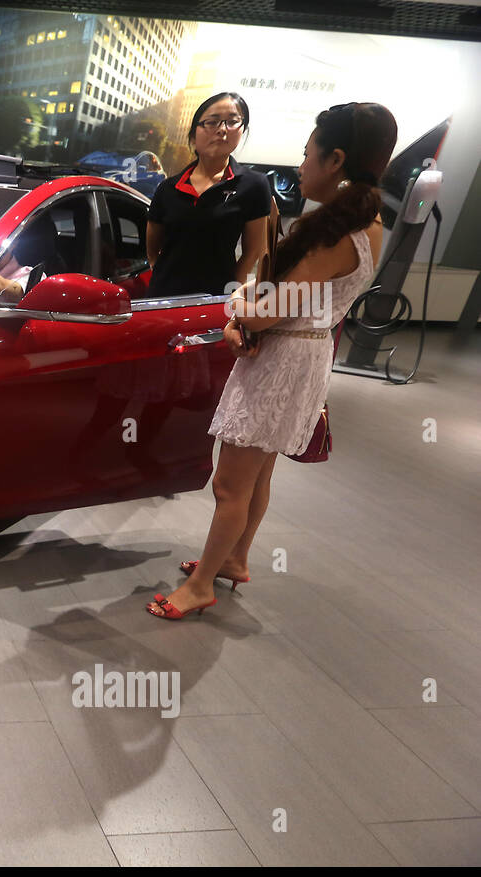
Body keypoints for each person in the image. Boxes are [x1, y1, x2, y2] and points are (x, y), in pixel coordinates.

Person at [147, 102, 397, 619]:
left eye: (307, 154)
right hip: (306, 354)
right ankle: (234, 559)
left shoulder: (334, 232)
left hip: (282, 359)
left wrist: (235, 309)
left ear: (336, 160)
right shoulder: (367, 224)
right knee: (258, 474)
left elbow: (269, 314)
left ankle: (200, 590)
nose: (300, 165)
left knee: (229, 483)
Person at [145, 92, 271, 298]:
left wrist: (230, 294)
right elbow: (153, 251)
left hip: (214, 299)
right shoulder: (168, 187)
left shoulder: (254, 185)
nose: (222, 130)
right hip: (163, 298)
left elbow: (251, 253)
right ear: (194, 135)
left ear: (242, 129)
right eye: (212, 122)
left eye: (232, 122)